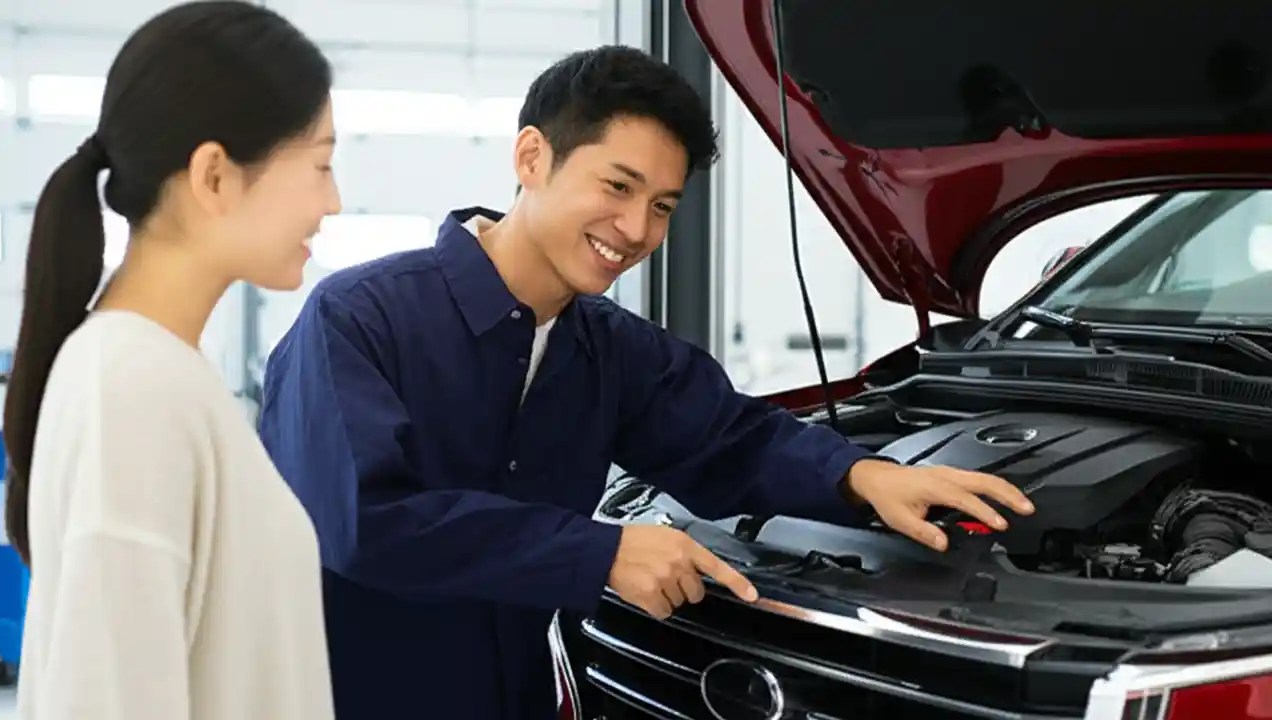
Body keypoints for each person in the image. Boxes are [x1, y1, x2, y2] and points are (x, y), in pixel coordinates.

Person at [259, 45, 1034, 720]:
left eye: (663, 206)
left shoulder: (609, 349)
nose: (636, 231)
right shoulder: (356, 320)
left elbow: (731, 439)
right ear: (532, 158)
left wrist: (863, 477)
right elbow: (364, 523)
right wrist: (598, 555)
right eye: (618, 187)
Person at [3, 2, 343, 718]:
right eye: (320, 163)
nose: (333, 201)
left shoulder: (155, 373)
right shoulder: (133, 385)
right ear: (215, 176)